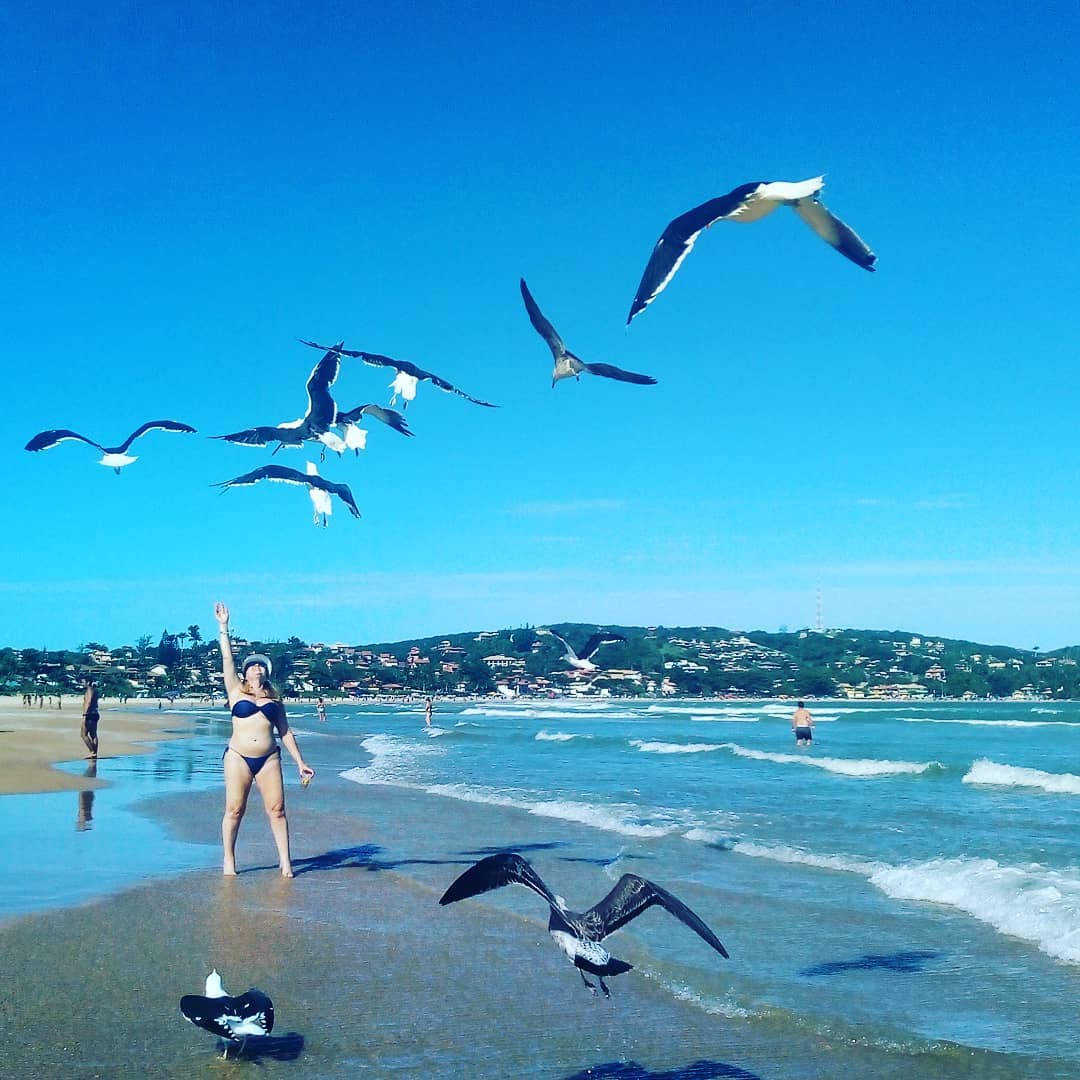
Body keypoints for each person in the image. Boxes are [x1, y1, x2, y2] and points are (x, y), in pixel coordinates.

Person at [214, 602, 314, 877]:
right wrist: (223, 627)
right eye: (252, 665)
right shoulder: (235, 690)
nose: (257, 668)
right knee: (235, 810)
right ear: (245, 672)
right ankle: (229, 859)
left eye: (261, 665)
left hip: (269, 758)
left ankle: (286, 862)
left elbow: (285, 731)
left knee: (277, 810)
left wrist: (301, 763)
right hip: (238, 757)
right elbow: (227, 660)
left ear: (266, 672)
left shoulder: (274, 697)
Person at [80, 676, 100, 758]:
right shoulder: (94, 691)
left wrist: (84, 715)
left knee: (83, 734)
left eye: (83, 682)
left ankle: (92, 751)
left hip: (89, 714)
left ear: (88, 682)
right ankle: (94, 753)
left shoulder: (89, 691)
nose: (82, 684)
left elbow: (88, 702)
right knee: (93, 734)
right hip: (95, 713)